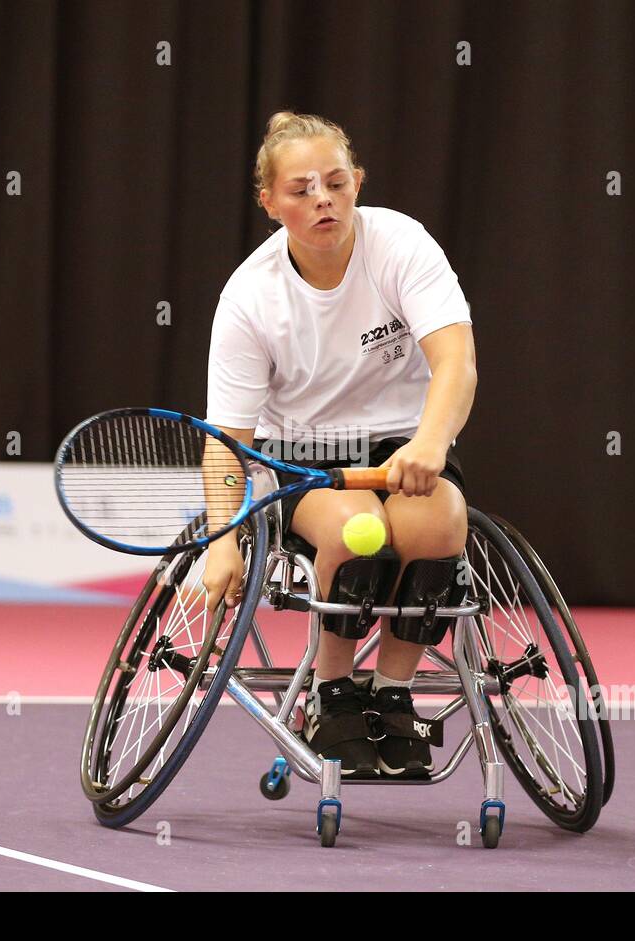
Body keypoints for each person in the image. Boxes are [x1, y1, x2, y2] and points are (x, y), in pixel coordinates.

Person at [202, 110, 476, 779]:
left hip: (402, 446)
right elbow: (227, 441)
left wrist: (431, 443)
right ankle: (332, 694)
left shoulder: (402, 245)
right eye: (300, 189)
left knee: (441, 520)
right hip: (301, 457)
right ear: (269, 204)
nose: (323, 199)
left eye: (335, 181)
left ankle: (391, 692)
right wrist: (219, 539)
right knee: (361, 530)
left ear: (356, 180)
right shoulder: (249, 297)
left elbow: (456, 363)